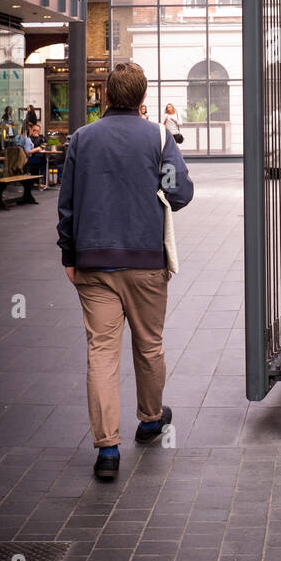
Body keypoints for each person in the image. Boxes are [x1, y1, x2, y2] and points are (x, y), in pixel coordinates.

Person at [57, 60, 194, 481]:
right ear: (142, 98)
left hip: (93, 262)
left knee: (101, 352)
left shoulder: (81, 139)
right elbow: (180, 191)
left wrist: (69, 254)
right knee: (149, 344)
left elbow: (67, 204)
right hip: (146, 260)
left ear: (105, 95)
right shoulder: (158, 137)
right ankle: (151, 420)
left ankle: (107, 449)